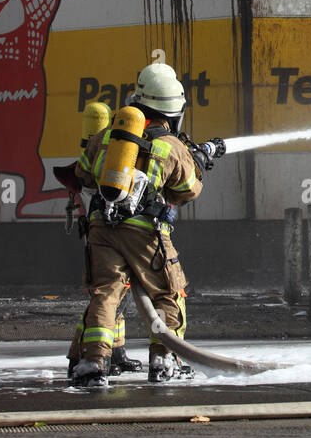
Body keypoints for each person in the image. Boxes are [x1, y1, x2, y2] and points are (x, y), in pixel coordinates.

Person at [67, 62, 210, 387]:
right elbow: (187, 191)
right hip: (145, 232)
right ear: (173, 110)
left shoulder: (107, 137)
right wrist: (197, 163)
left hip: (101, 228)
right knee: (167, 293)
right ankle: (163, 360)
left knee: (106, 294)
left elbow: (83, 175)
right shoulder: (171, 147)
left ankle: (92, 365)